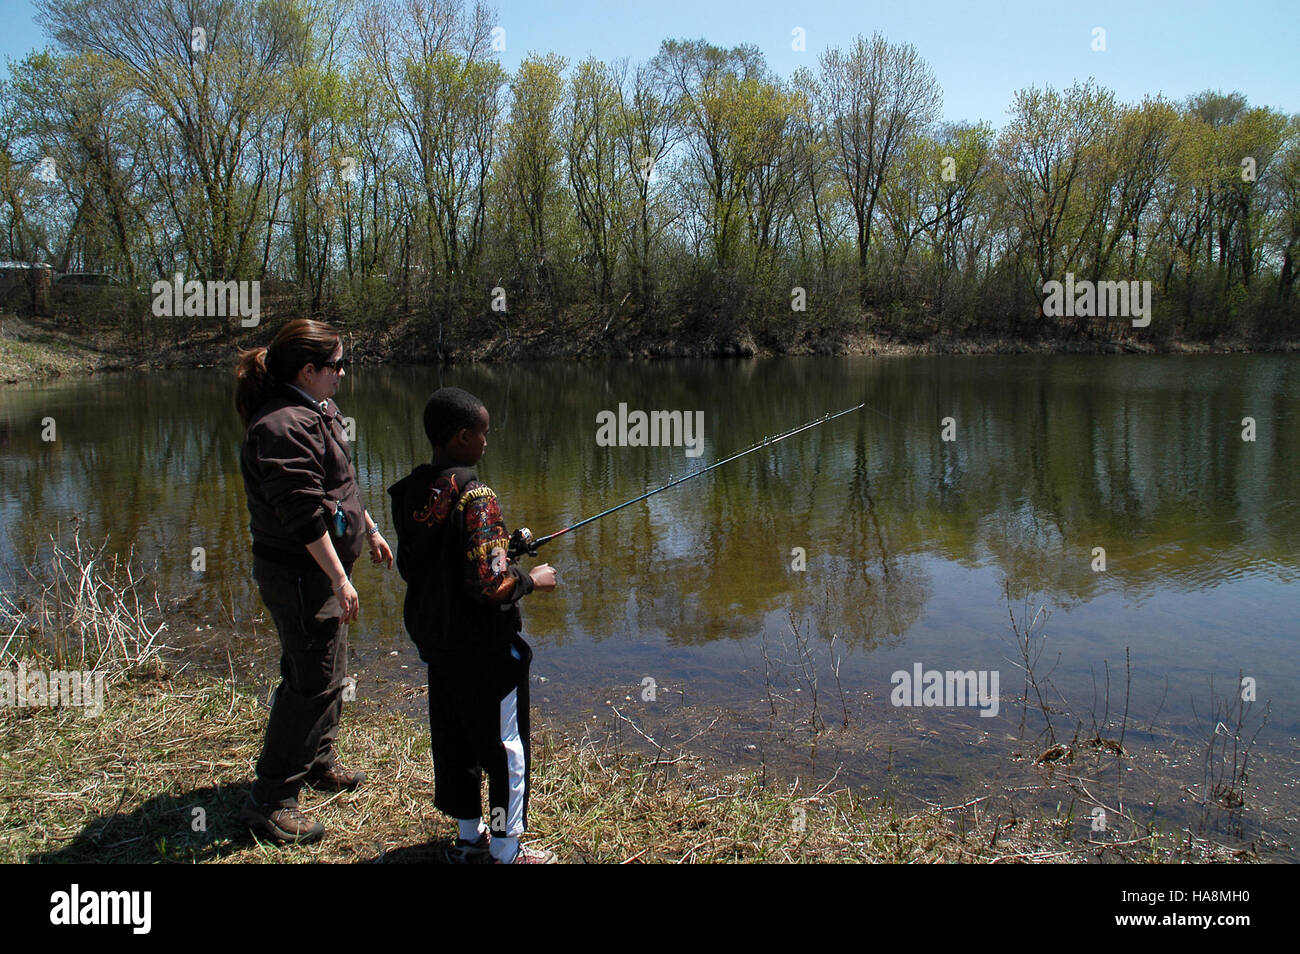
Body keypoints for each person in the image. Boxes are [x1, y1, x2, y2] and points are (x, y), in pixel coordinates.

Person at [234, 318, 393, 844]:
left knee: (328, 666)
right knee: (309, 683)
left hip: (324, 571)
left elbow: (342, 484)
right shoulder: (280, 426)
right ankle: (271, 798)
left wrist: (369, 531)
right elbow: (303, 518)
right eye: (337, 365)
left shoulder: (318, 411)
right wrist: (338, 578)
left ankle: (317, 759)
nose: (343, 373)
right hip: (300, 574)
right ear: (308, 370)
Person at [388, 386, 558, 864]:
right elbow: (490, 585)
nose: (487, 440)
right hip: (483, 648)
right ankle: (505, 852)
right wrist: (530, 579)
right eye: (483, 432)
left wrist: (508, 543)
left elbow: (439, 558)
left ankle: (469, 838)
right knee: (505, 750)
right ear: (463, 436)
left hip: (438, 644)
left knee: (455, 739)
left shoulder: (415, 490)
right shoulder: (477, 494)